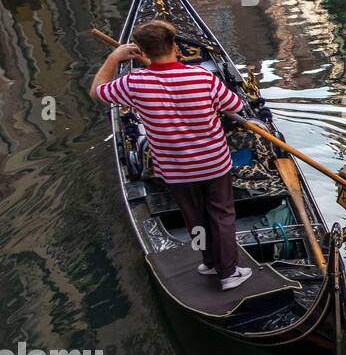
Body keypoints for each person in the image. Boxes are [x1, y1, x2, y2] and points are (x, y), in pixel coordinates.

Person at [91, 20, 252, 292]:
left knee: (194, 217)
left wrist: (113, 58)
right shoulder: (202, 77)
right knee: (222, 215)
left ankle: (209, 262)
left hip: (176, 169)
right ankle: (229, 273)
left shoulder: (133, 83)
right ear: (175, 46)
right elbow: (235, 105)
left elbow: (97, 91)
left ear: (139, 50)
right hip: (214, 163)